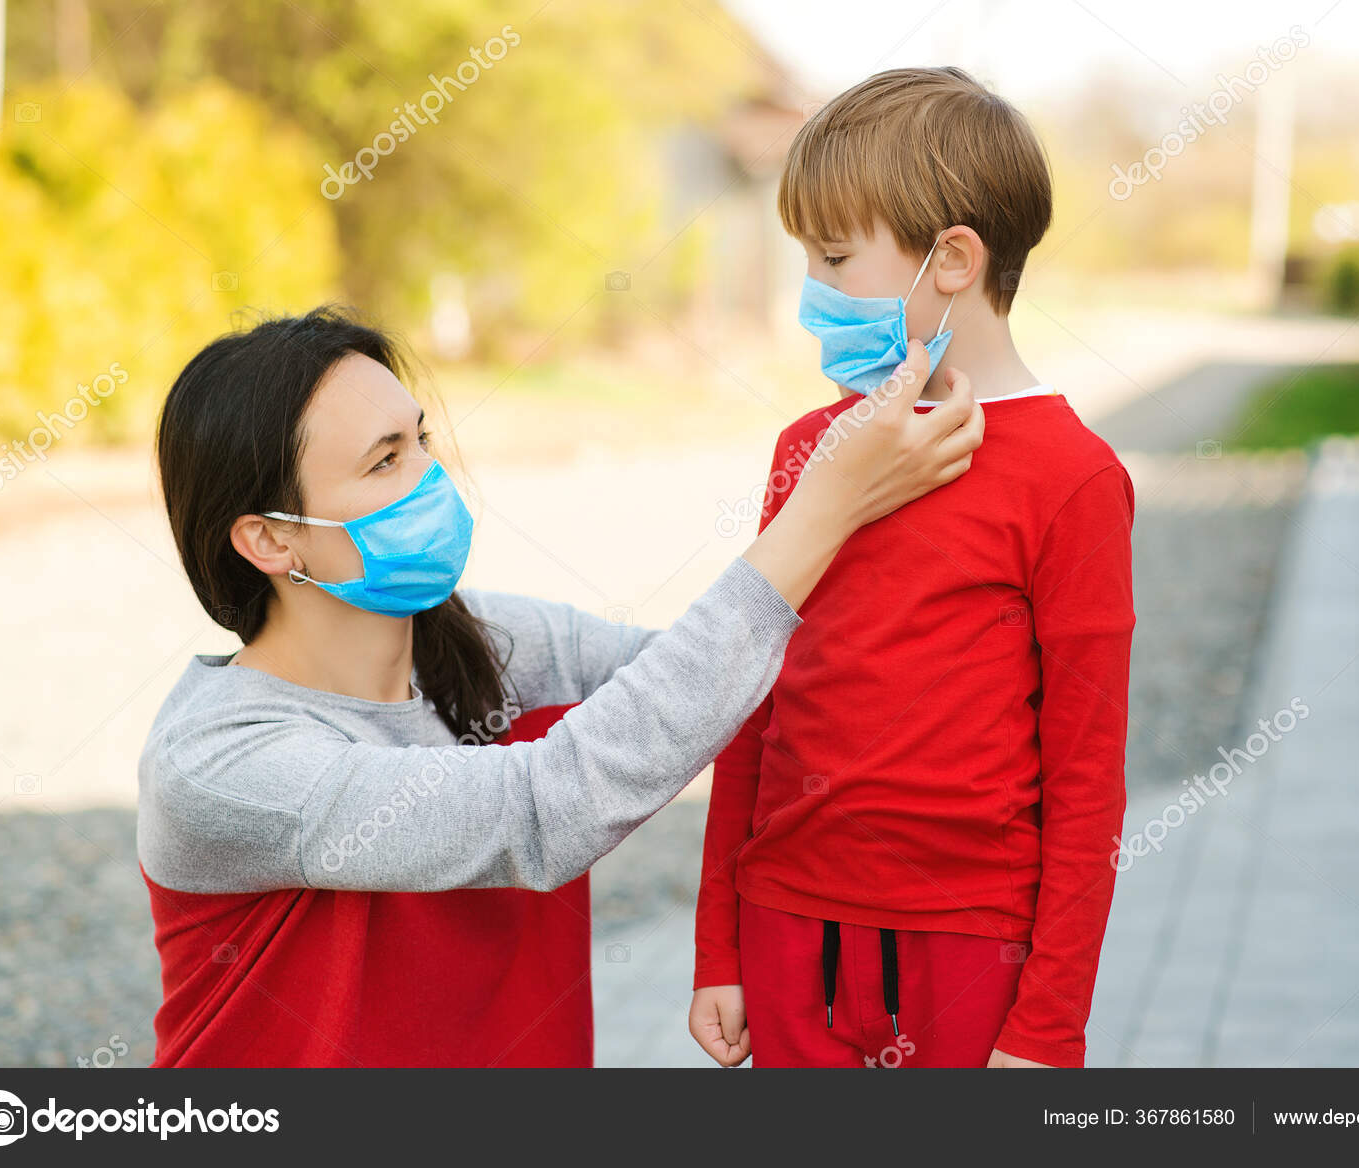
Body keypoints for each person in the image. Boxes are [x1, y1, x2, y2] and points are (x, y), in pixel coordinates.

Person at [137, 304, 982, 1066]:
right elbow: (542, 810)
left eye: (422, 437)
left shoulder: (491, 644)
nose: (432, 477)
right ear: (272, 542)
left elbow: (731, 683)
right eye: (386, 461)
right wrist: (822, 508)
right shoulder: (222, 764)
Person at [689, 67, 1136, 1069]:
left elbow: (1085, 777)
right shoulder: (810, 450)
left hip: (969, 947)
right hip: (787, 930)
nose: (811, 291)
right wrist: (718, 944)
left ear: (954, 260)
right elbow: (747, 705)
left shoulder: (1072, 480)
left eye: (835, 258)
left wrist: (1048, 1024)